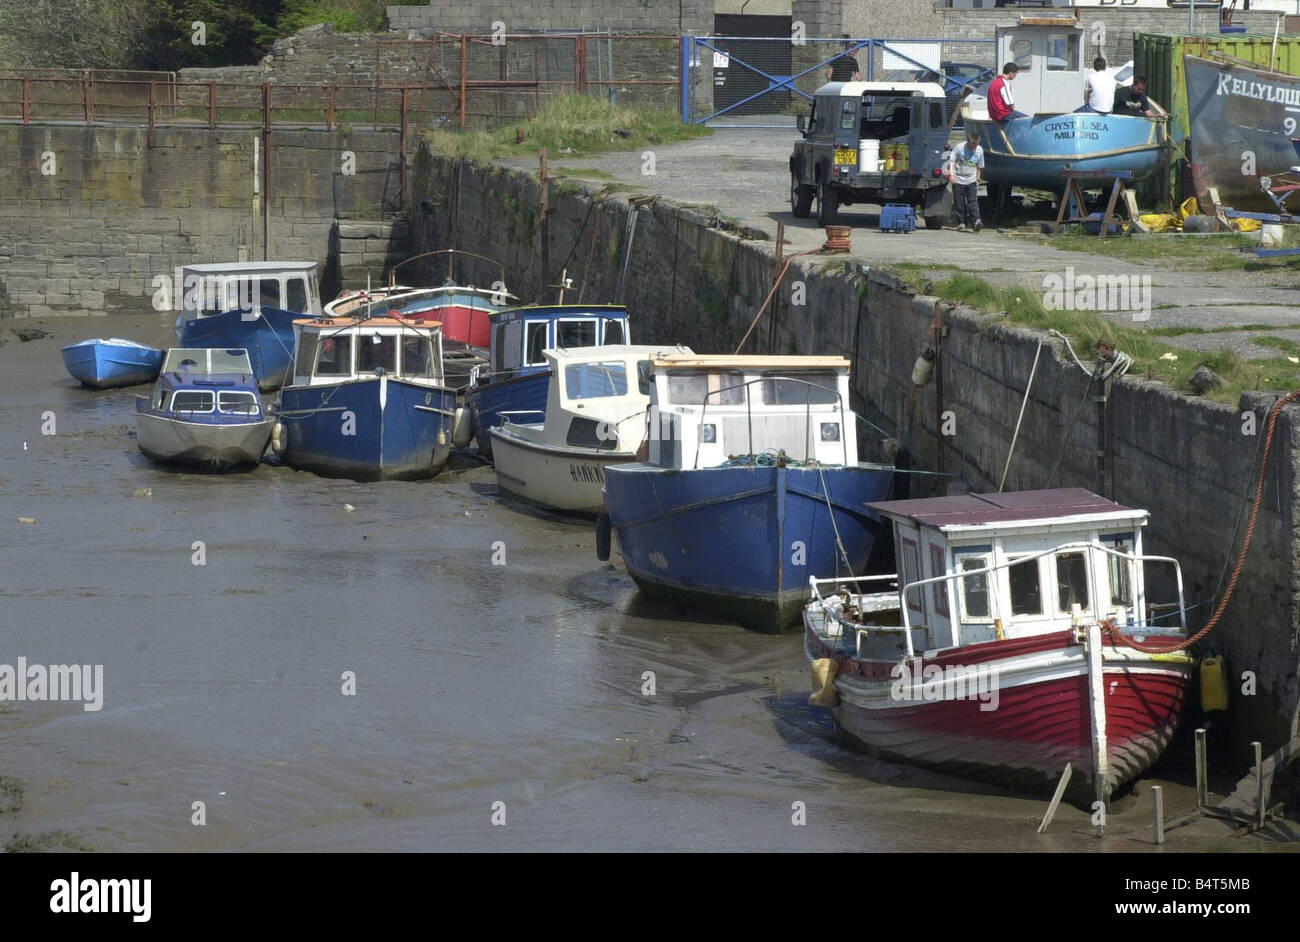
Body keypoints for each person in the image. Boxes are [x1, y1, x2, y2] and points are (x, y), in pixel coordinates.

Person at [947, 130, 985, 233]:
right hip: (959, 178)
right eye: (973, 144)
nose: (974, 147)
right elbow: (952, 161)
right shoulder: (959, 147)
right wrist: (952, 175)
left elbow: (979, 167)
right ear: (968, 141)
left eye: (976, 144)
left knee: (973, 201)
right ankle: (961, 223)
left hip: (971, 179)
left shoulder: (979, 150)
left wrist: (977, 179)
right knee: (959, 202)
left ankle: (976, 221)